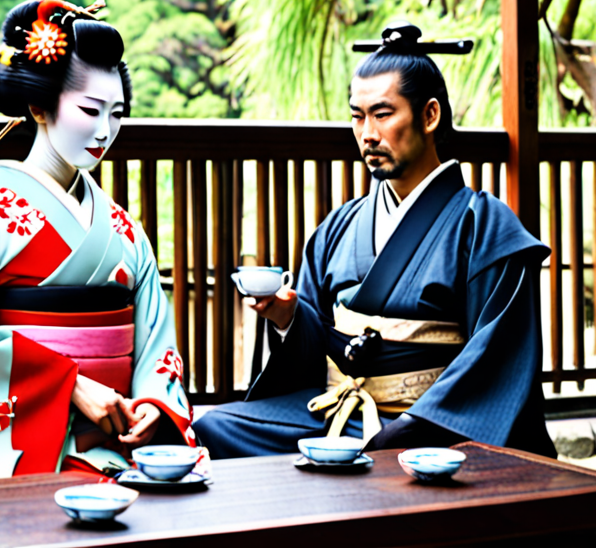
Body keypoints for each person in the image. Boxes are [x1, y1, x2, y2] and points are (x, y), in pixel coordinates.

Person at [194, 22, 556, 459]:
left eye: (383, 114)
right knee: (215, 427)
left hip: (428, 425)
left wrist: (404, 431)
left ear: (430, 115)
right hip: (337, 411)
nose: (367, 134)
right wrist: (289, 317)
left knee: (391, 457)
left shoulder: (483, 225)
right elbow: (315, 357)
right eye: (357, 116)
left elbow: (495, 362)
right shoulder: (340, 225)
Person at [0, 0, 195, 481]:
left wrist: (153, 401)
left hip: (115, 443)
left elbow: (155, 340)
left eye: (118, 114)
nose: (105, 131)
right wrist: (70, 386)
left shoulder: (124, 230)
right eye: (90, 110)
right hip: (19, 446)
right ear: (38, 106)